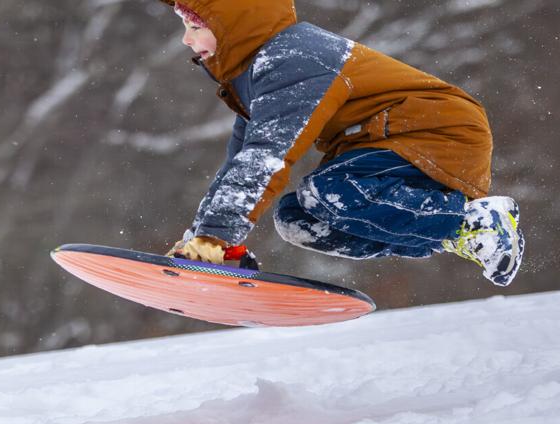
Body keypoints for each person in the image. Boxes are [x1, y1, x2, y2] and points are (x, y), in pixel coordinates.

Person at [163, 0, 524, 286]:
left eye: (196, 26)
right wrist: (202, 239)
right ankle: (455, 234)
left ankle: (469, 222)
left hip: (437, 131)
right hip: (384, 141)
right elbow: (239, 163)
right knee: (297, 220)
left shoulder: (293, 58)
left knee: (329, 191)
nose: (187, 39)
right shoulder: (256, 75)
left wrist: (215, 238)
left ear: (234, 28)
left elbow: (266, 158)